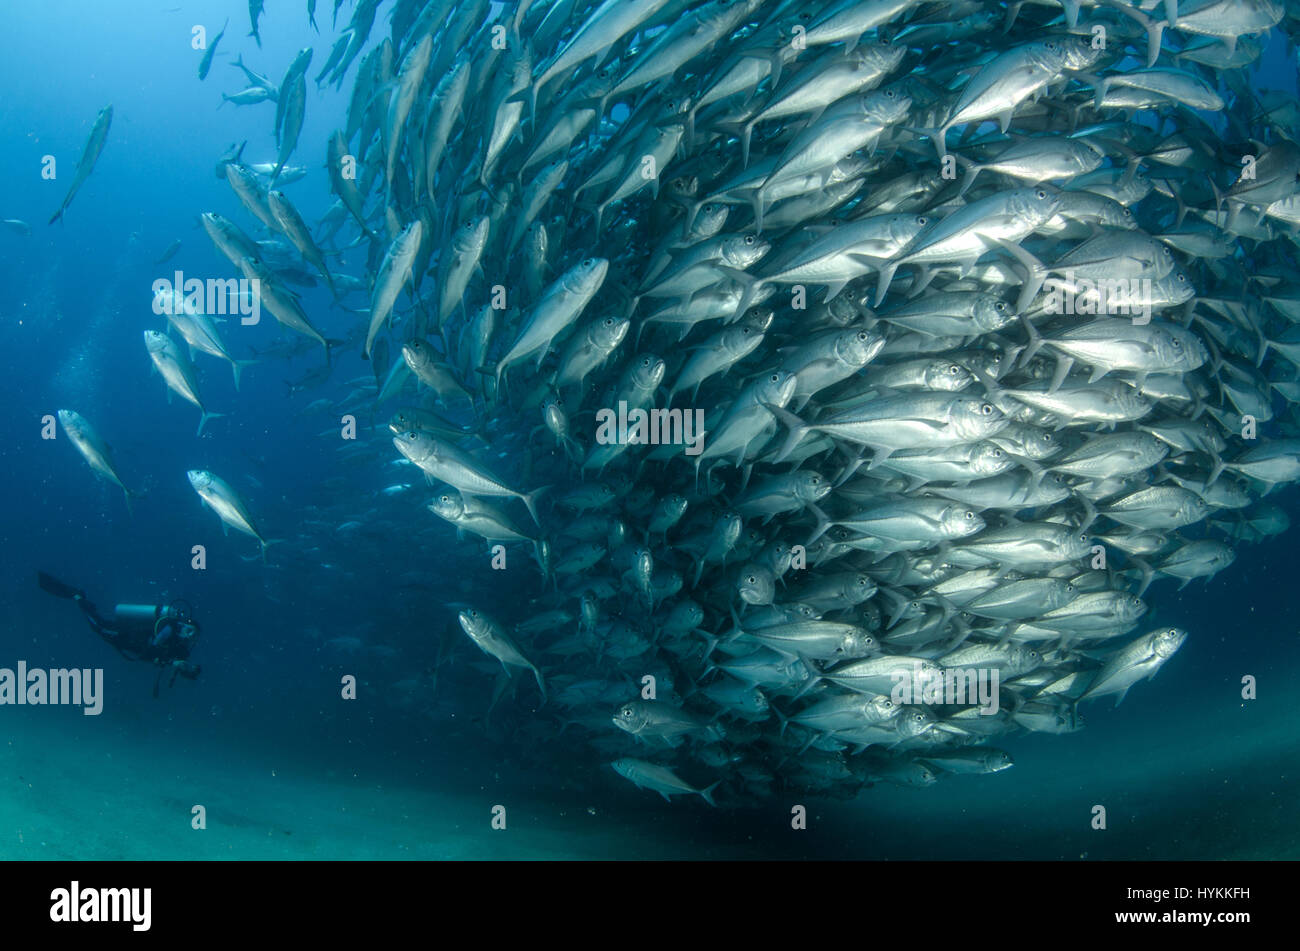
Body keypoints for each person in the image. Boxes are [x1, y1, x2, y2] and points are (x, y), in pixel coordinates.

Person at [38, 571, 202, 695]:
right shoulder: (170, 628)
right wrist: (170, 662)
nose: (188, 636)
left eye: (192, 636)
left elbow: (179, 664)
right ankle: (77, 597)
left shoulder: (180, 647)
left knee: (101, 626)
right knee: (100, 626)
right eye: (189, 630)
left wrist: (189, 669)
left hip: (131, 645)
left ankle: (81, 600)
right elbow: (155, 645)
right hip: (128, 636)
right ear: (183, 624)